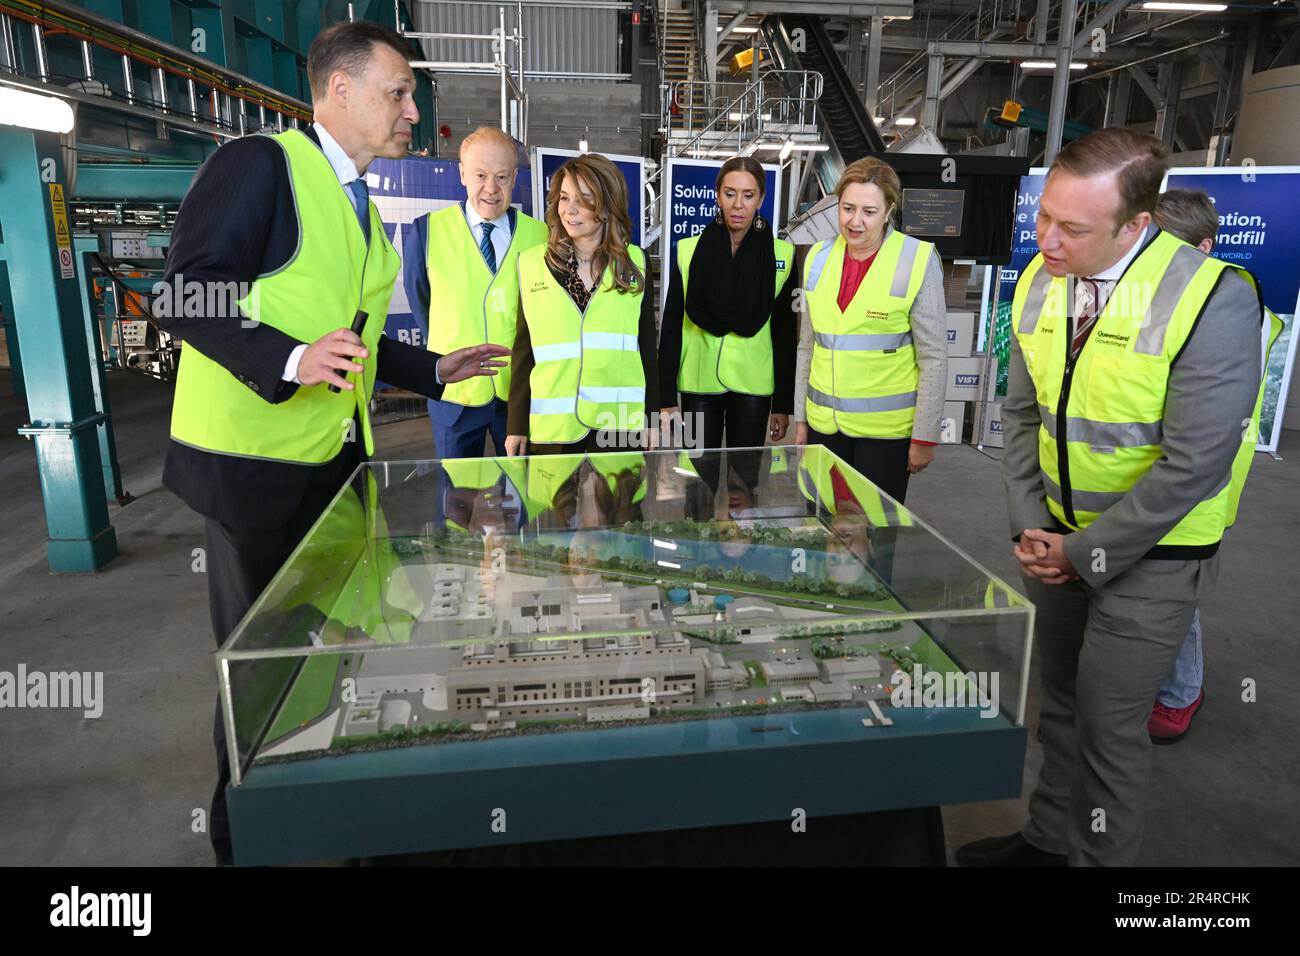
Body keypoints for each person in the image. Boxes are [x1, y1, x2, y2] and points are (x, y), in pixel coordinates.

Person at [157, 19, 508, 865]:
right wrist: (287, 358)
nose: (412, 112)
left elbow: (347, 338)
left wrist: (433, 366)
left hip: (332, 470)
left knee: (330, 657)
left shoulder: (358, 200)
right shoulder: (261, 166)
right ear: (339, 90)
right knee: (259, 670)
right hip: (255, 477)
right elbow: (181, 296)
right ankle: (244, 842)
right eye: (398, 92)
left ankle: (315, 815)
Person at [957, 129, 1262, 867]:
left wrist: (1085, 552)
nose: (1048, 241)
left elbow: (1196, 462)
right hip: (1057, 538)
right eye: (1043, 219)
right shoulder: (1039, 280)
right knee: (1058, 704)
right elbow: (1022, 416)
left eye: (1072, 228)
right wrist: (1033, 528)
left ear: (1136, 226)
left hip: (1153, 555)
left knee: (1108, 725)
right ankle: (1045, 842)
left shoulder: (1211, 298)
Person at [1146, 188, 1284, 744]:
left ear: (1204, 248)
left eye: (1166, 247)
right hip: (1145, 478)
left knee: (1172, 589)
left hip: (1201, 487)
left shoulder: (1230, 309)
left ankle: (1182, 690)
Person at [792, 157, 948, 506]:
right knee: (820, 526)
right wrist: (801, 419)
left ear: (889, 209)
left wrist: (924, 437)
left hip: (884, 435)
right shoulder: (817, 256)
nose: (855, 221)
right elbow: (807, 346)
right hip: (823, 428)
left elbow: (934, 357)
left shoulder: (917, 259)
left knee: (872, 536)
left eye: (869, 211)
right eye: (847, 208)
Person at [657, 155, 798, 499]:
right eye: (730, 193)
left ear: (761, 199)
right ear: (717, 194)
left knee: (744, 481)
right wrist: (665, 398)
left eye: (748, 195)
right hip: (698, 381)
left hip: (753, 384)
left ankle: (740, 547)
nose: (738, 204)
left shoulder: (783, 255)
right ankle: (698, 542)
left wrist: (783, 404)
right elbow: (672, 324)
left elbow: (784, 332)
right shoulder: (687, 252)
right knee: (698, 481)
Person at [403, 126, 548, 459]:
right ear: (463, 173)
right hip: (454, 397)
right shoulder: (427, 231)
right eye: (480, 175)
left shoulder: (540, 237)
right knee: (456, 503)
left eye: (501, 177)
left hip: (518, 396)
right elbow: (420, 301)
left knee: (522, 497)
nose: (491, 189)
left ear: (515, 177)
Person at [505, 153, 658, 456]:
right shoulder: (533, 264)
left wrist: (652, 419)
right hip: (554, 428)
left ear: (607, 205)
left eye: (584, 199)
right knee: (552, 504)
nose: (569, 210)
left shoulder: (636, 264)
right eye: (564, 198)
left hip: (618, 425)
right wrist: (516, 425)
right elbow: (524, 351)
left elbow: (646, 349)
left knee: (621, 504)